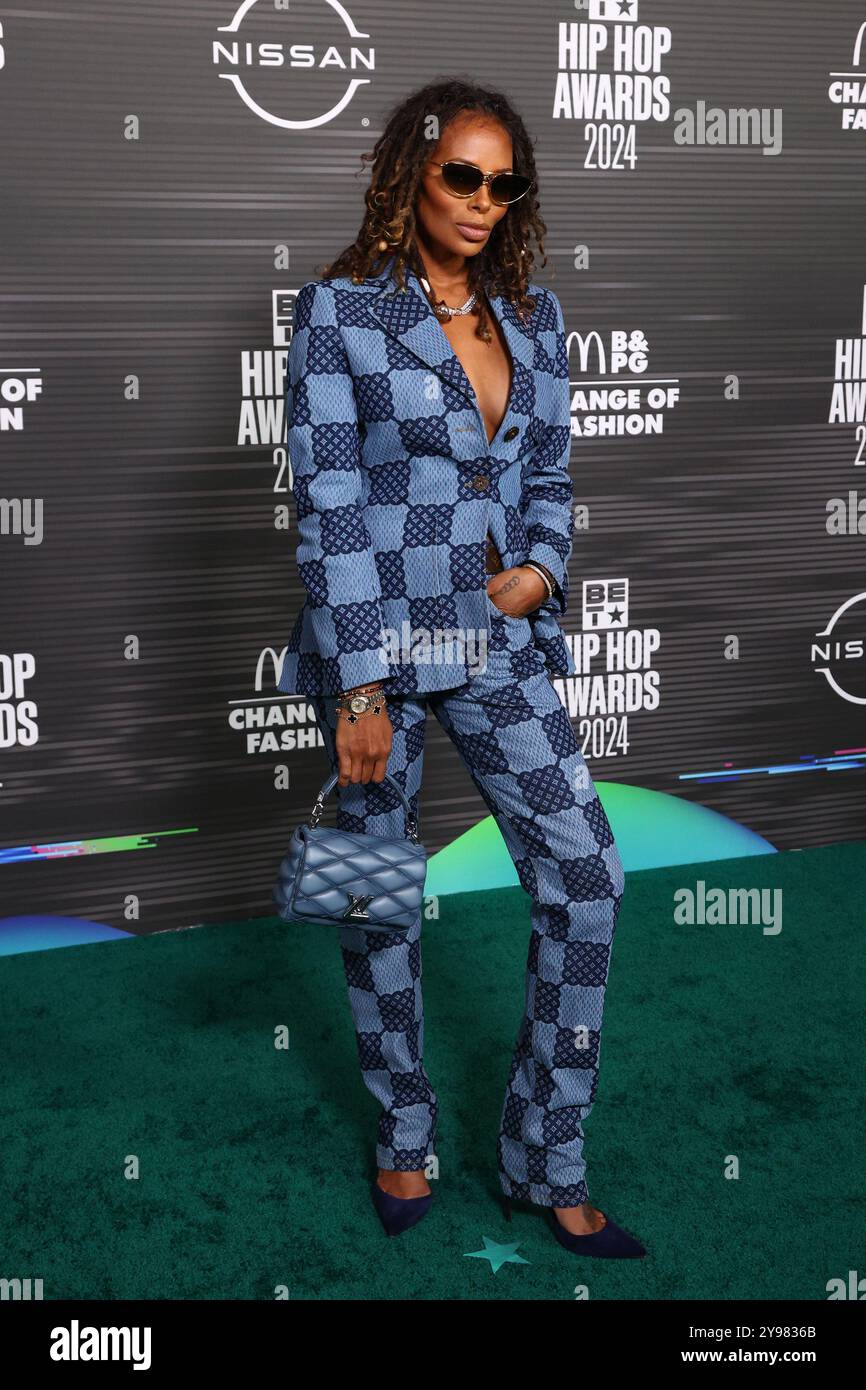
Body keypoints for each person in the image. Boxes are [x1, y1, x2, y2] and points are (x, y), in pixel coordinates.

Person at [277, 79, 645, 1258]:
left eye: (505, 182)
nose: (484, 200)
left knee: (583, 872)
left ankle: (546, 1157)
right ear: (409, 173)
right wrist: (361, 688)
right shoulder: (340, 312)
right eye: (461, 177)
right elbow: (330, 502)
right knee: (379, 896)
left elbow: (548, 480)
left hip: (496, 639)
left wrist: (541, 566)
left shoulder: (533, 318)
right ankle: (400, 1131)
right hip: (383, 638)